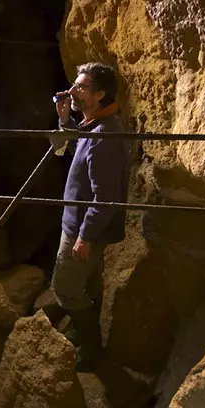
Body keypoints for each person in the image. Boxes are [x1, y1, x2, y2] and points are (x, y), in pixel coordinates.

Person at [51, 62, 131, 369]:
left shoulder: (104, 137)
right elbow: (78, 161)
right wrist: (64, 121)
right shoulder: (94, 125)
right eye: (74, 84)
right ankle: (82, 329)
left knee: (65, 289)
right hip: (81, 224)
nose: (72, 90)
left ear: (100, 94)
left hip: (82, 229)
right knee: (89, 282)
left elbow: (106, 198)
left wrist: (84, 236)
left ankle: (90, 344)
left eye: (81, 87)